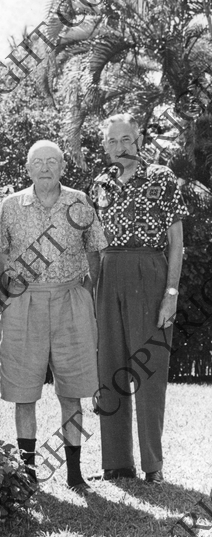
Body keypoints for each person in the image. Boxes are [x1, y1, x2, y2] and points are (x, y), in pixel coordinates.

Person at [0, 140, 107, 493]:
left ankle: (74, 473)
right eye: (38, 162)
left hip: (70, 301)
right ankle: (28, 474)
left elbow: (95, 249)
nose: (45, 168)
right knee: (25, 393)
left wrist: (86, 287)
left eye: (53, 161)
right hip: (25, 304)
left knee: (72, 391)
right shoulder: (11, 205)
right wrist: (5, 297)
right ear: (27, 169)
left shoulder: (80, 201)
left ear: (63, 167)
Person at [90, 113, 187, 484]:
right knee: (110, 368)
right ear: (105, 147)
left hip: (150, 271)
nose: (120, 148)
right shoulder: (100, 183)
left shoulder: (161, 177)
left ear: (139, 140)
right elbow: (94, 245)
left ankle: (153, 466)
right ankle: (116, 463)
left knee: (149, 369)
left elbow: (176, 243)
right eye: (113, 142)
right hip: (109, 272)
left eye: (127, 140)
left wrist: (171, 294)